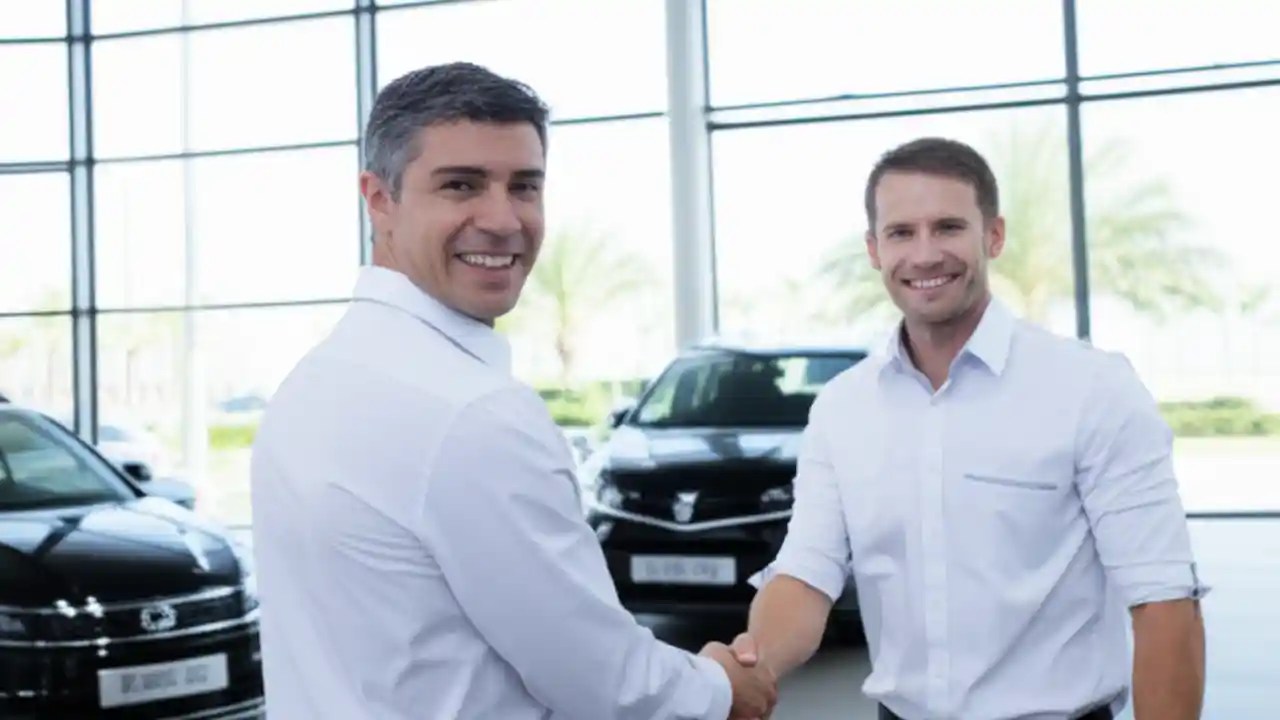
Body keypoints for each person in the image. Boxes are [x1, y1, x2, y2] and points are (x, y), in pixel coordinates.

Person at [248, 62, 776, 720]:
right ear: (380, 198)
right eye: (461, 185)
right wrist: (723, 687)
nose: (503, 220)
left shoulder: (312, 383)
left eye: (524, 186)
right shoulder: (473, 412)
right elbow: (601, 678)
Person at [727, 137, 1208, 719]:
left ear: (994, 235)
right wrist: (750, 664)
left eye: (948, 227)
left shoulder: (1093, 389)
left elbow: (1162, 602)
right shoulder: (841, 408)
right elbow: (806, 572)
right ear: (875, 249)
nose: (925, 255)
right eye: (902, 232)